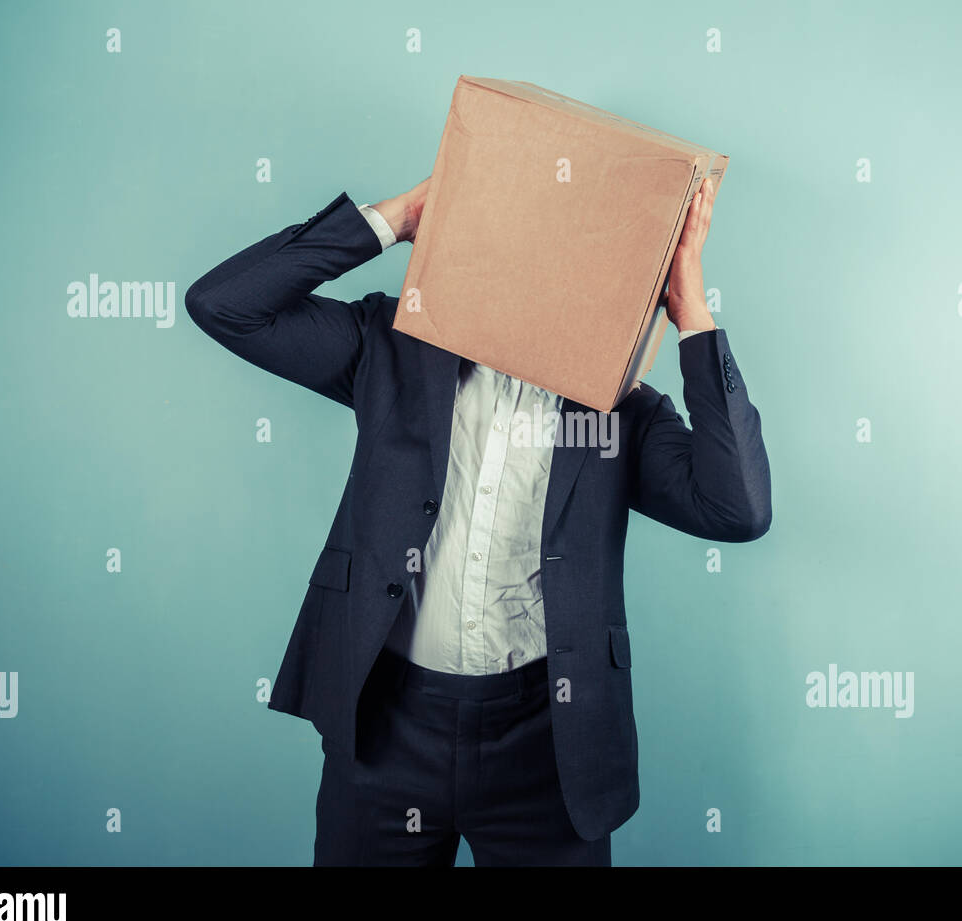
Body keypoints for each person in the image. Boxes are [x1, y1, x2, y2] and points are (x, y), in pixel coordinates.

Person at [185, 171, 771, 865]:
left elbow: (736, 508)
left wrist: (692, 312)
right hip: (385, 724)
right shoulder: (390, 347)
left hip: (549, 744)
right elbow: (225, 305)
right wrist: (399, 218)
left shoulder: (620, 412)